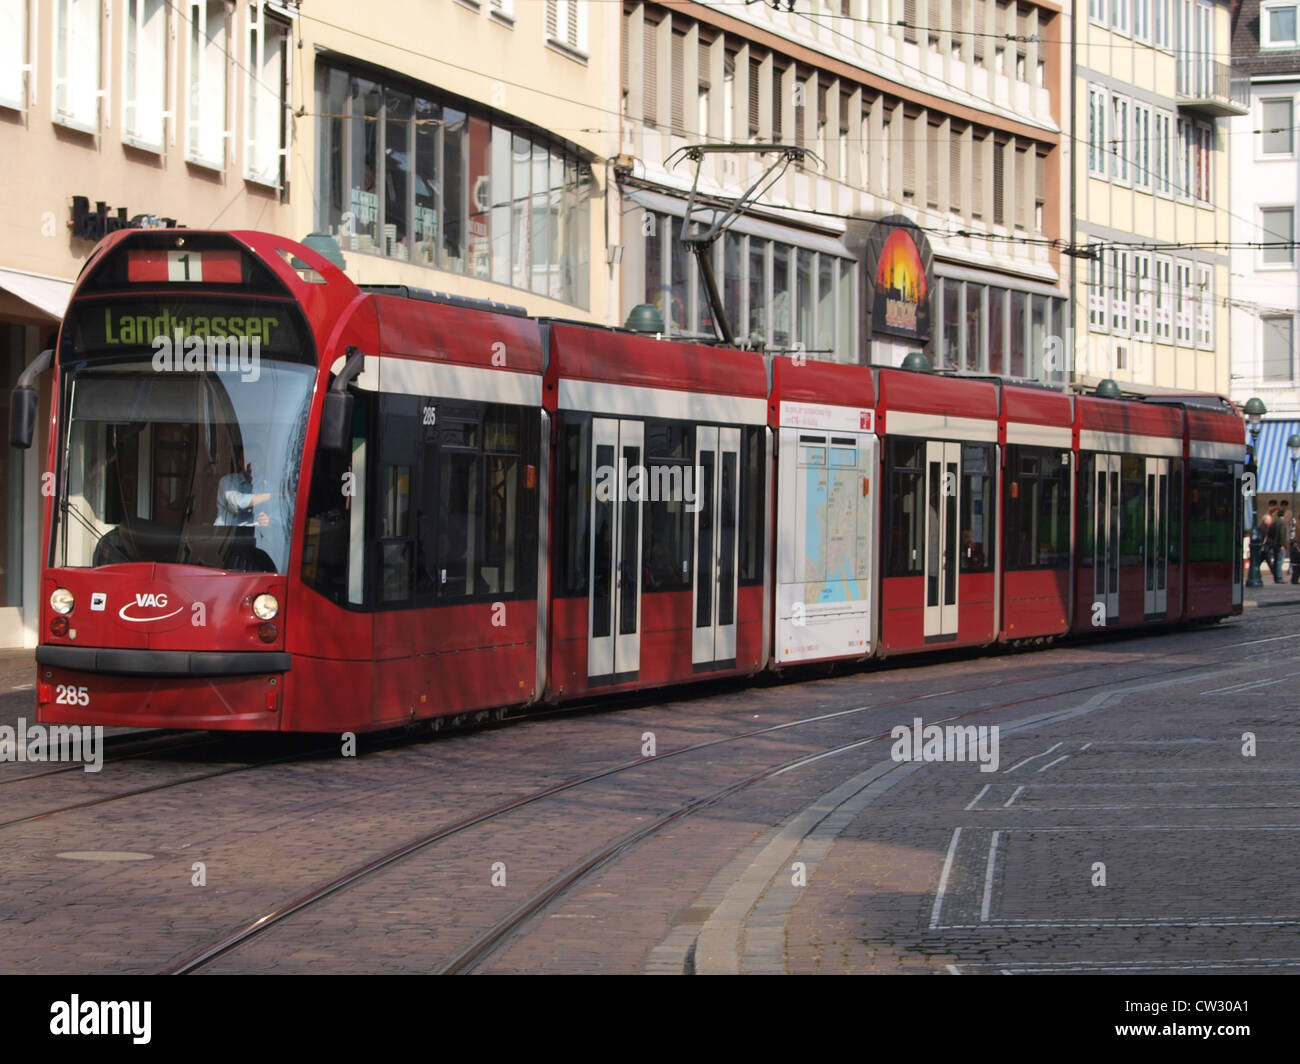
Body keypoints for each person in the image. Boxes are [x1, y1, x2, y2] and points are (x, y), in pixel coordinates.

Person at [216, 445, 273, 528]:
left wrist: (269, 520)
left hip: (258, 537)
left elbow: (279, 515)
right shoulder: (228, 481)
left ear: (262, 462)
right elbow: (237, 503)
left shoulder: (269, 487)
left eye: (255, 461)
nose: (250, 465)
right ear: (240, 463)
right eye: (247, 460)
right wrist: (270, 496)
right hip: (225, 536)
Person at [1266, 509, 1288, 583]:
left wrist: (1273, 540)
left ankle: (1276, 576)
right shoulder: (1283, 523)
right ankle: (1279, 577)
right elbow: (1282, 534)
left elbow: (1269, 533)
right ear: (1284, 515)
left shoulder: (1274, 522)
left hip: (1274, 544)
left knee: (1276, 561)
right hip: (1280, 545)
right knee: (1279, 561)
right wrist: (1282, 544)